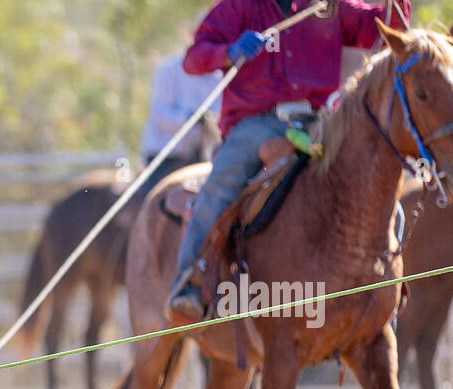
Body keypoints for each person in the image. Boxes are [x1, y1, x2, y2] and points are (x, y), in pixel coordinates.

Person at [168, 0, 411, 321]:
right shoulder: (240, 7)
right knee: (221, 186)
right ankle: (189, 283)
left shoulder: (330, 7)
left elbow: (387, 30)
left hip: (319, 124)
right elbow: (193, 59)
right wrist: (228, 52)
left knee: (383, 203)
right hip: (256, 123)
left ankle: (379, 289)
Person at [139, 50, 222, 192]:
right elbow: (160, 114)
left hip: (200, 155)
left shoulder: (219, 76)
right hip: (165, 155)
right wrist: (191, 118)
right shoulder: (169, 70)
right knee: (153, 197)